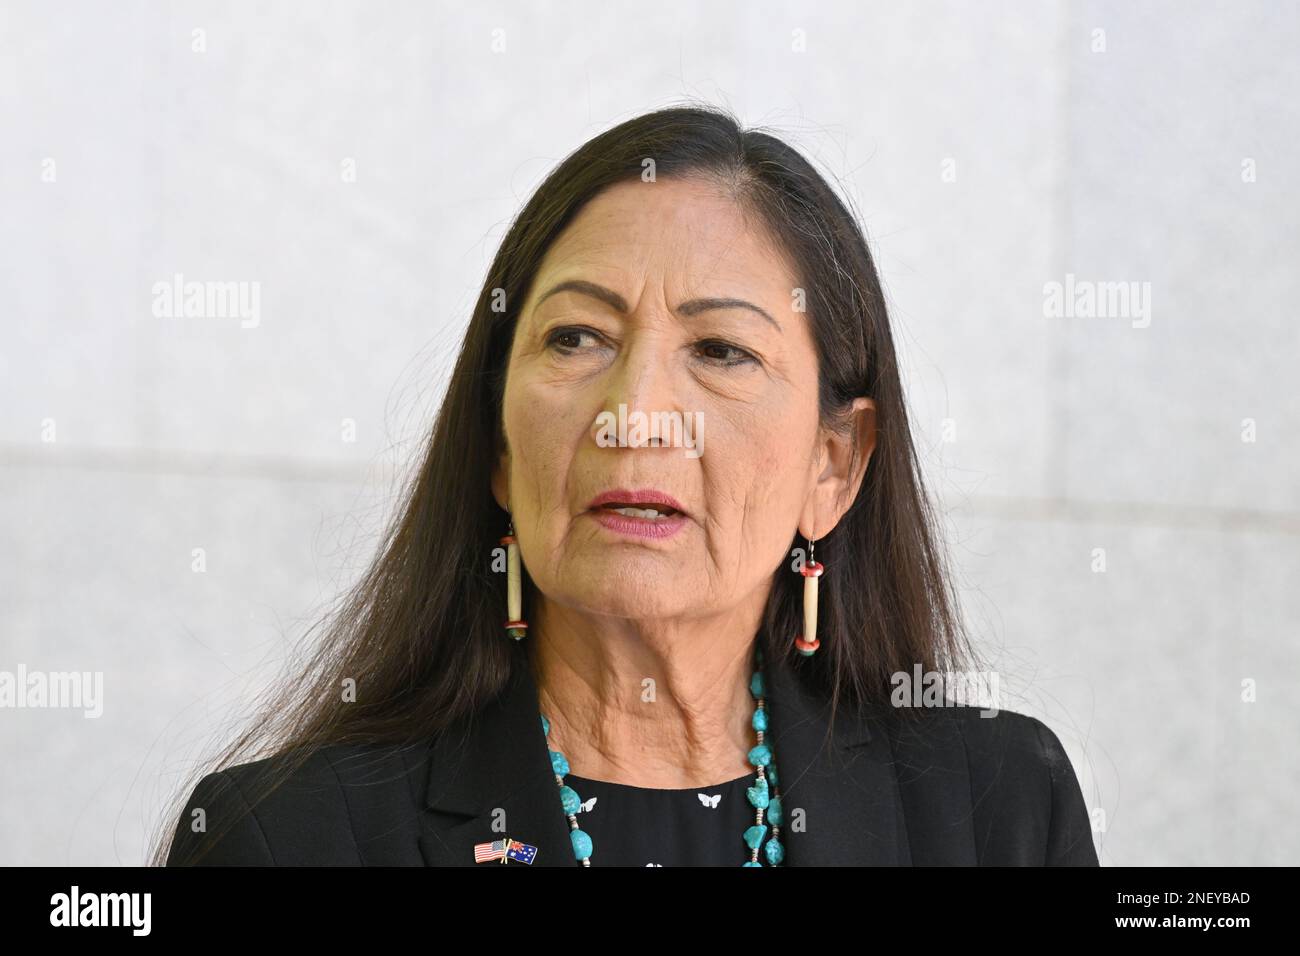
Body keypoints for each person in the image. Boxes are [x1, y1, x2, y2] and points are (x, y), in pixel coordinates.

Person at [159, 104, 1097, 867]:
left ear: (834, 465)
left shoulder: (995, 814)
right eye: (576, 339)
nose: (635, 413)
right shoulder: (291, 841)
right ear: (496, 443)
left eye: (722, 351)